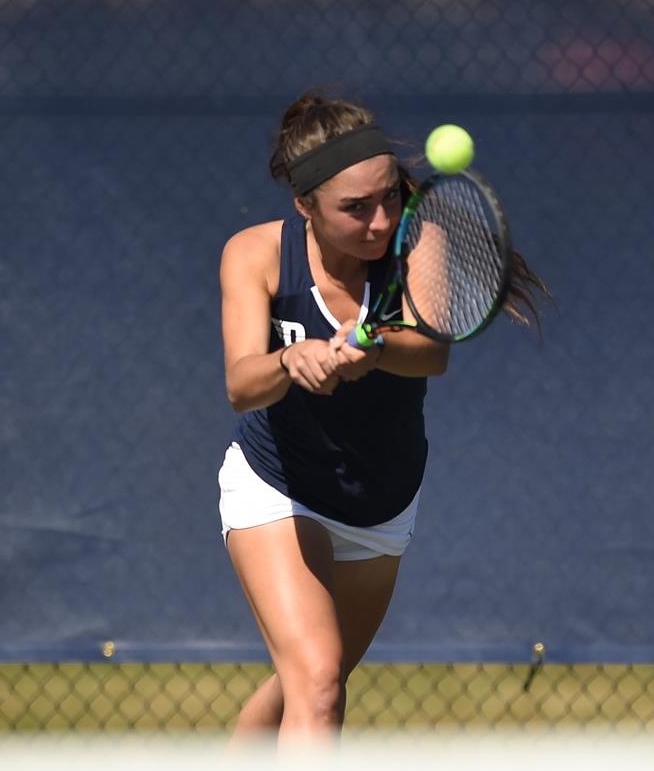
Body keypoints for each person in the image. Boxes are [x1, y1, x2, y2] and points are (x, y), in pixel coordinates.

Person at [216, 90, 547, 750]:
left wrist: (372, 350)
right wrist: (294, 358)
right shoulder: (253, 254)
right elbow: (242, 384)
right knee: (319, 685)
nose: (379, 220)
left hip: (380, 504)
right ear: (305, 206)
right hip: (278, 486)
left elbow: (430, 355)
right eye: (354, 208)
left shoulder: (419, 238)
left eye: (389, 197)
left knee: (302, 686)